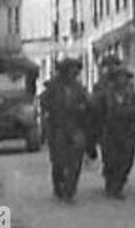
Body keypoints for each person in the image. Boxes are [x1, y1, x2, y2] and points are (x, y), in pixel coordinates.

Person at [39, 57, 95, 202]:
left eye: (75, 70)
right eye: (71, 70)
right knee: (58, 161)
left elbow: (88, 104)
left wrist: (85, 108)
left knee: (75, 160)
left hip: (75, 126)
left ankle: (70, 190)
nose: (74, 73)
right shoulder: (53, 87)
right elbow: (43, 103)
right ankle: (59, 186)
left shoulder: (78, 88)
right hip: (58, 127)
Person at [93, 64, 135, 199]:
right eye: (119, 78)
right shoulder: (105, 95)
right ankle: (112, 185)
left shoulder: (131, 95)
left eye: (124, 78)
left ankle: (119, 183)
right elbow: (97, 113)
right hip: (110, 131)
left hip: (127, 131)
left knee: (126, 160)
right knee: (111, 160)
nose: (122, 80)